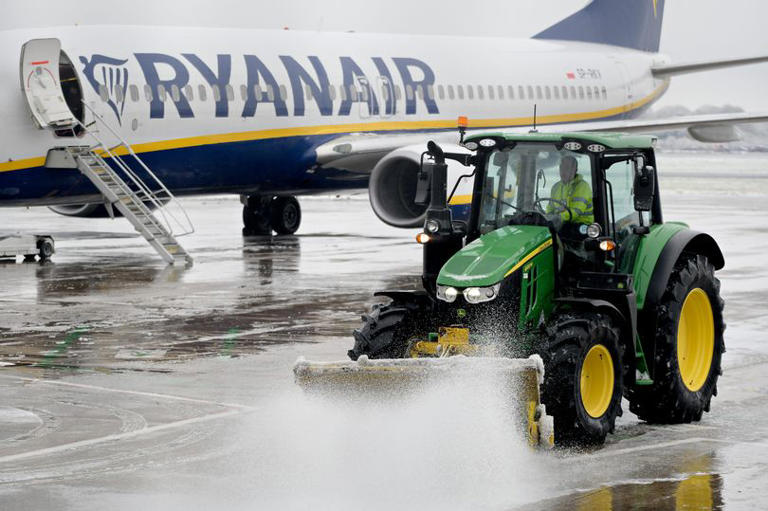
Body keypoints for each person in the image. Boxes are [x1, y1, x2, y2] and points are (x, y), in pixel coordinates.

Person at [547, 156, 593, 224]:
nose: (563, 171)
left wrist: (559, 217)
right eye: (561, 167)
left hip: (581, 224)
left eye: (567, 168)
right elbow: (550, 208)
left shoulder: (582, 186)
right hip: (561, 223)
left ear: (575, 170)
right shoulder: (556, 187)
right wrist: (547, 217)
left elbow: (576, 210)